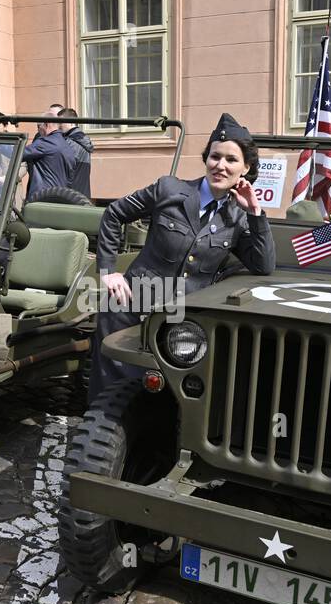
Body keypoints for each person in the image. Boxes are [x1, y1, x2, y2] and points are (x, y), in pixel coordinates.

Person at [89, 112, 276, 401]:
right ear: (206, 159)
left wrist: (255, 212)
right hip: (130, 307)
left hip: (184, 323)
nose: (220, 166)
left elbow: (263, 265)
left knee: (171, 397)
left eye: (231, 160)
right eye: (215, 157)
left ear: (246, 168)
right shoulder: (170, 189)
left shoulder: (239, 218)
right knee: (113, 394)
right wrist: (109, 270)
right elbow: (114, 214)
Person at [21, 104, 75, 200]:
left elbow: (18, 154)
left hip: (42, 197)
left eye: (38, 126)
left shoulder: (46, 143)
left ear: (46, 125)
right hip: (61, 197)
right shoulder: (67, 145)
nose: (38, 130)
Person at [58, 106, 94, 198]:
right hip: (82, 193)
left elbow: (64, 170)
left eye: (61, 122)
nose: (58, 126)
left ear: (70, 122)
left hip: (71, 196)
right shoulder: (82, 140)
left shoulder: (70, 142)